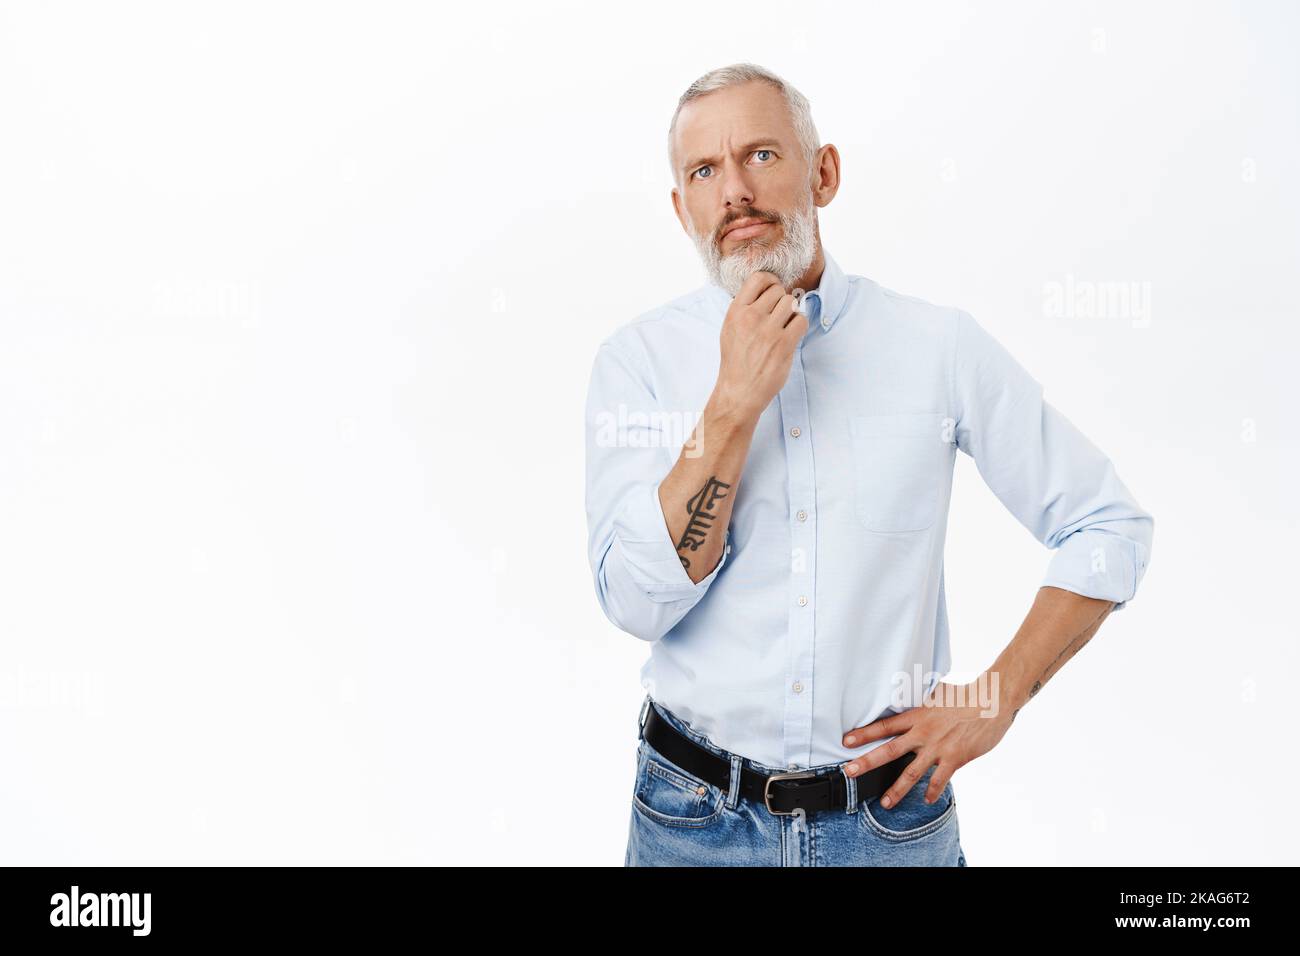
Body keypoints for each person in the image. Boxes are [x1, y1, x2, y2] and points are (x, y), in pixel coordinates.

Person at [583, 63, 1154, 867]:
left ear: (824, 173)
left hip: (888, 830)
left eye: (761, 156)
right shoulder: (637, 363)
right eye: (704, 171)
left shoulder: (936, 349)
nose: (734, 191)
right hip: (691, 825)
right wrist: (733, 404)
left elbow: (1107, 528)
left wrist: (996, 700)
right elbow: (637, 602)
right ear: (683, 208)